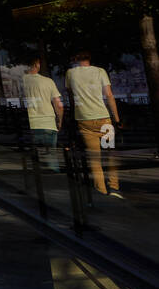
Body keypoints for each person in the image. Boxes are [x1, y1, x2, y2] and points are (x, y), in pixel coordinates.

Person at [66, 51, 123, 198]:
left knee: (95, 158)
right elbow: (109, 95)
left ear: (76, 59)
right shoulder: (100, 71)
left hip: (84, 120)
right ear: (89, 59)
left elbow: (71, 97)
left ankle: (101, 190)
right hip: (104, 119)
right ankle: (114, 187)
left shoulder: (70, 73)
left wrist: (74, 114)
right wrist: (116, 119)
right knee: (110, 154)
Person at [21, 58, 62, 170]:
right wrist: (60, 120)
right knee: (52, 155)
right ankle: (55, 177)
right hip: (48, 122)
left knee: (34, 157)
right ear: (37, 65)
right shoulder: (48, 81)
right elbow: (58, 104)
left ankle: (38, 181)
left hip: (31, 122)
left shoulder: (22, 81)